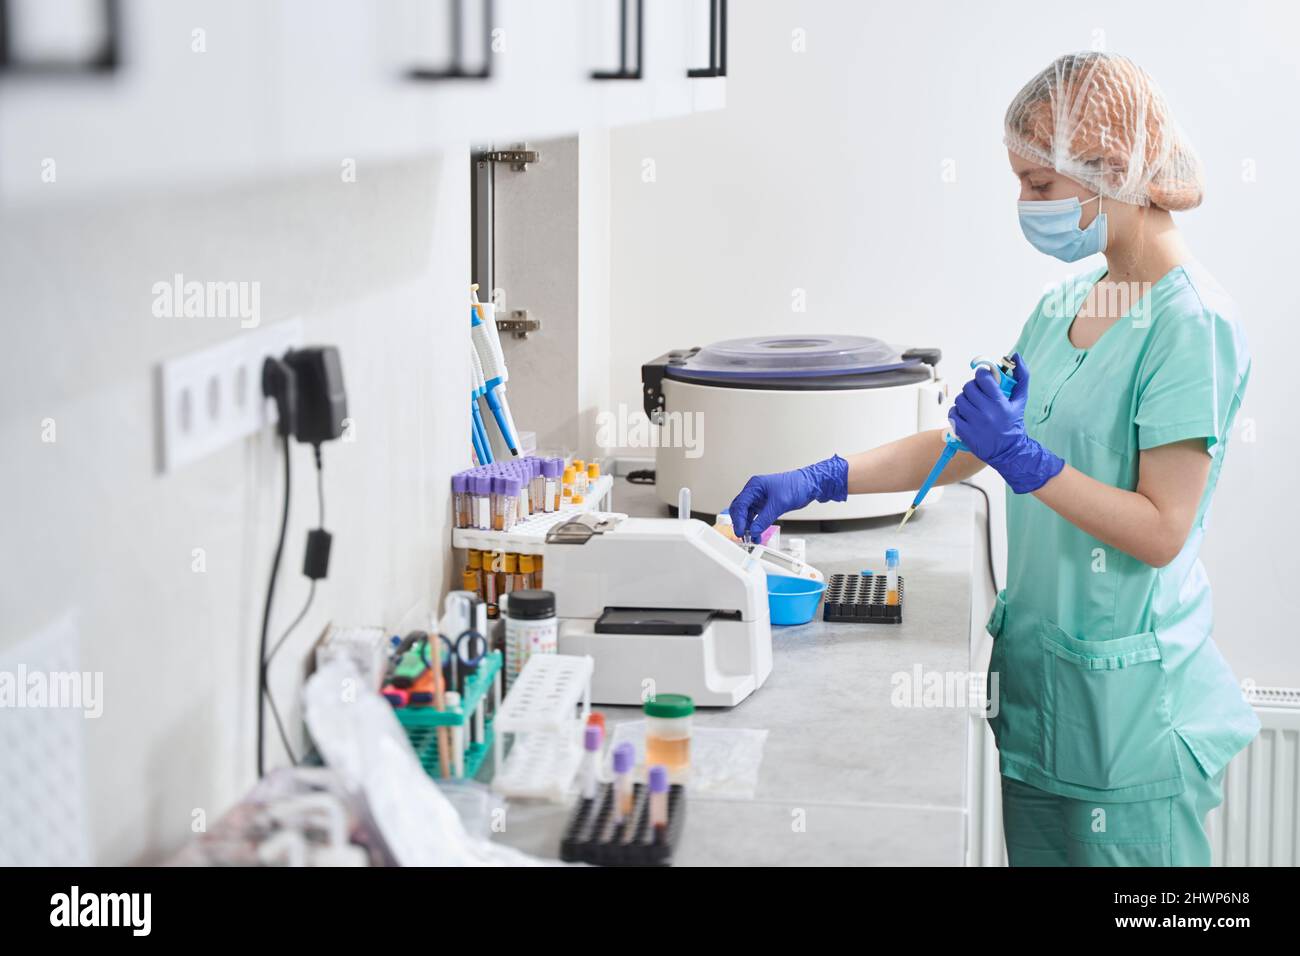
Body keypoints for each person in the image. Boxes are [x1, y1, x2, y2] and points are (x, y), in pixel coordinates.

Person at [727, 52, 1258, 866]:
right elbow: (970, 446)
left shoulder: (1192, 326)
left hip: (1131, 718)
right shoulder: (1066, 305)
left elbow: (1160, 532)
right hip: (1046, 694)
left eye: (1040, 186)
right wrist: (819, 479)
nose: (1025, 206)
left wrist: (1026, 459)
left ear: (1113, 169)